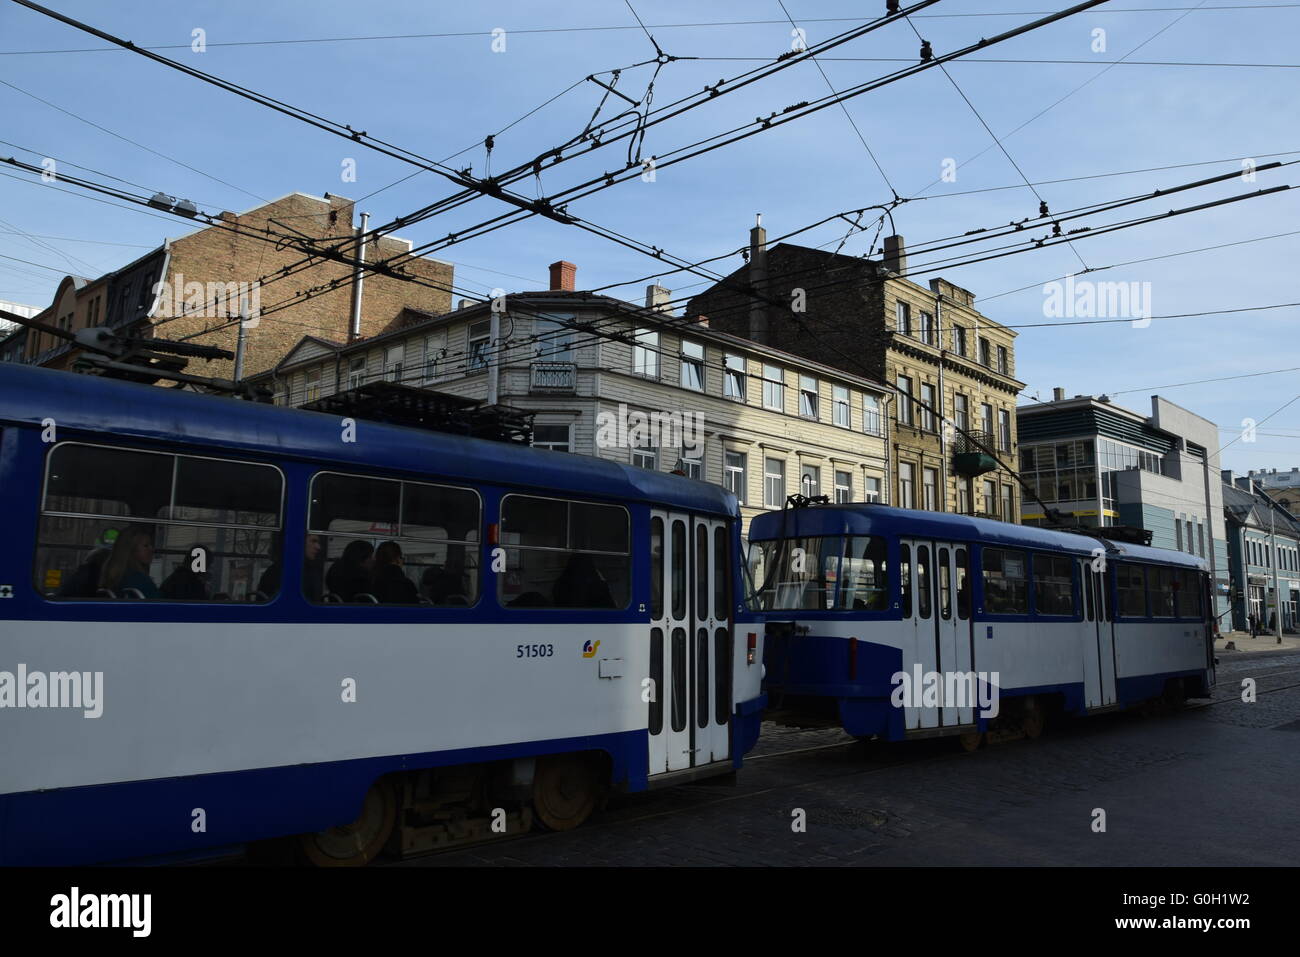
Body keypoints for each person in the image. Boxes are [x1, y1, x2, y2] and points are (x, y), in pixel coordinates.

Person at [98, 524, 160, 599]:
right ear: (130, 549)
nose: (152, 549)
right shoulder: (138, 580)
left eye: (151, 545)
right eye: (146, 546)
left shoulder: (115, 576)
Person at [258, 534, 323, 601]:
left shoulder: (280, 568)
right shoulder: (282, 571)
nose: (318, 547)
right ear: (299, 542)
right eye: (313, 541)